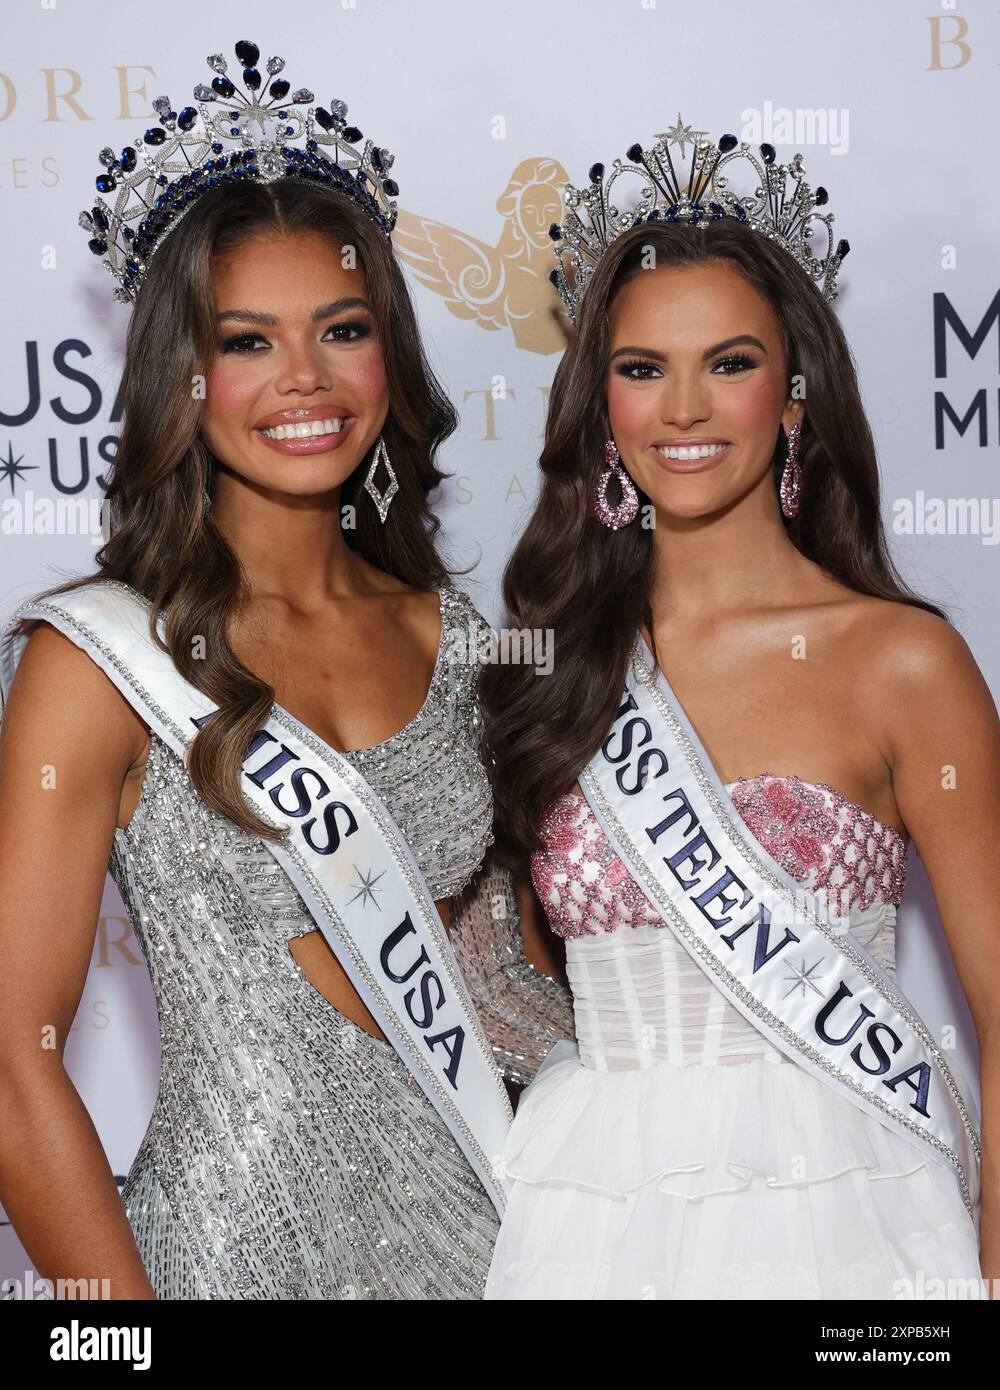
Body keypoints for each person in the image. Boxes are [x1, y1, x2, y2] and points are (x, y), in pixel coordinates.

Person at [0, 38, 572, 1301]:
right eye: (247, 341)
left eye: (342, 330)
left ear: (388, 356)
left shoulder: (457, 638)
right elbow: (11, 1060)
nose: (304, 380)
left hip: (480, 1248)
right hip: (215, 1264)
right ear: (181, 376)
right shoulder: (95, 660)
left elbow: (513, 995)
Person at [480, 122, 997, 1299]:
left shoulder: (903, 662)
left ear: (795, 394)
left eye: (728, 361)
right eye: (642, 368)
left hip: (851, 1205)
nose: (682, 410)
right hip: (590, 1212)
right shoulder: (542, 668)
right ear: (599, 401)